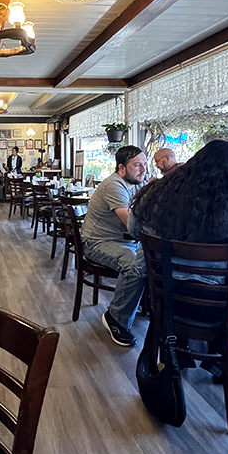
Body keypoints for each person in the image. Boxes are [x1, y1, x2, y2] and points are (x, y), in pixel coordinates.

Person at [128, 139, 228, 374]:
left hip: (169, 298)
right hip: (227, 305)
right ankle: (220, 351)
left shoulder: (162, 193)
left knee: (182, 277)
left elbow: (133, 229)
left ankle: (180, 349)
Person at [81, 145, 148, 347]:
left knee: (152, 261)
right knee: (135, 267)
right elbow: (131, 224)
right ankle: (116, 318)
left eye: (145, 165)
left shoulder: (135, 184)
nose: (143, 170)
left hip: (125, 242)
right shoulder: (114, 185)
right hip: (98, 242)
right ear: (121, 168)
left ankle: (137, 306)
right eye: (137, 165)